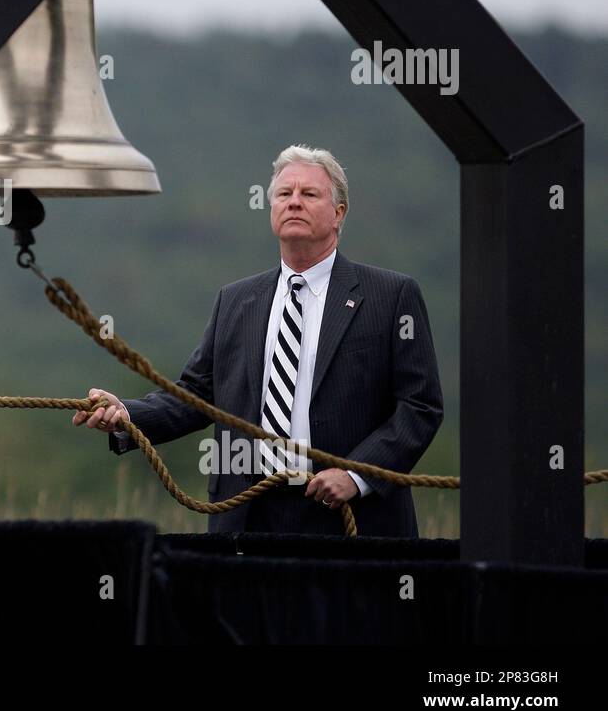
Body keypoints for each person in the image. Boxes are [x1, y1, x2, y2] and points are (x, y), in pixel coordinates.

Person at [75, 144, 444, 536]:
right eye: (284, 195)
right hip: (247, 517)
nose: (294, 203)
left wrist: (356, 475)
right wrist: (127, 416)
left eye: (309, 194)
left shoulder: (390, 296)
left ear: (339, 213)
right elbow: (195, 397)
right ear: (272, 210)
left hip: (352, 517)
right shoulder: (236, 301)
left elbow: (420, 406)